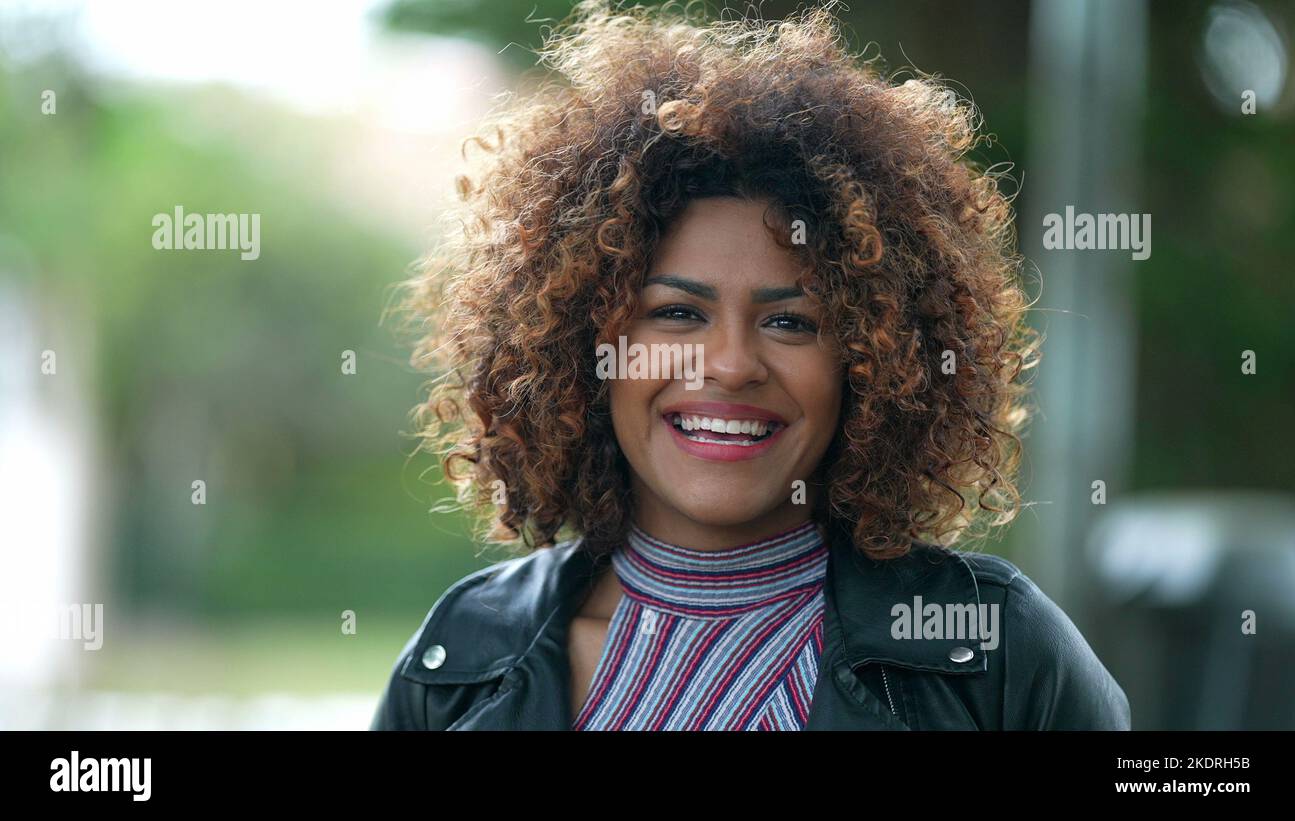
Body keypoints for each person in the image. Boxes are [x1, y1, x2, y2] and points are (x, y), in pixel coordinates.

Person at [371, 0, 1130, 731]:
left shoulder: (991, 645)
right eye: (677, 313)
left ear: (870, 362)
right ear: (586, 348)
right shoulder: (463, 658)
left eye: (791, 322)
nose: (732, 364)